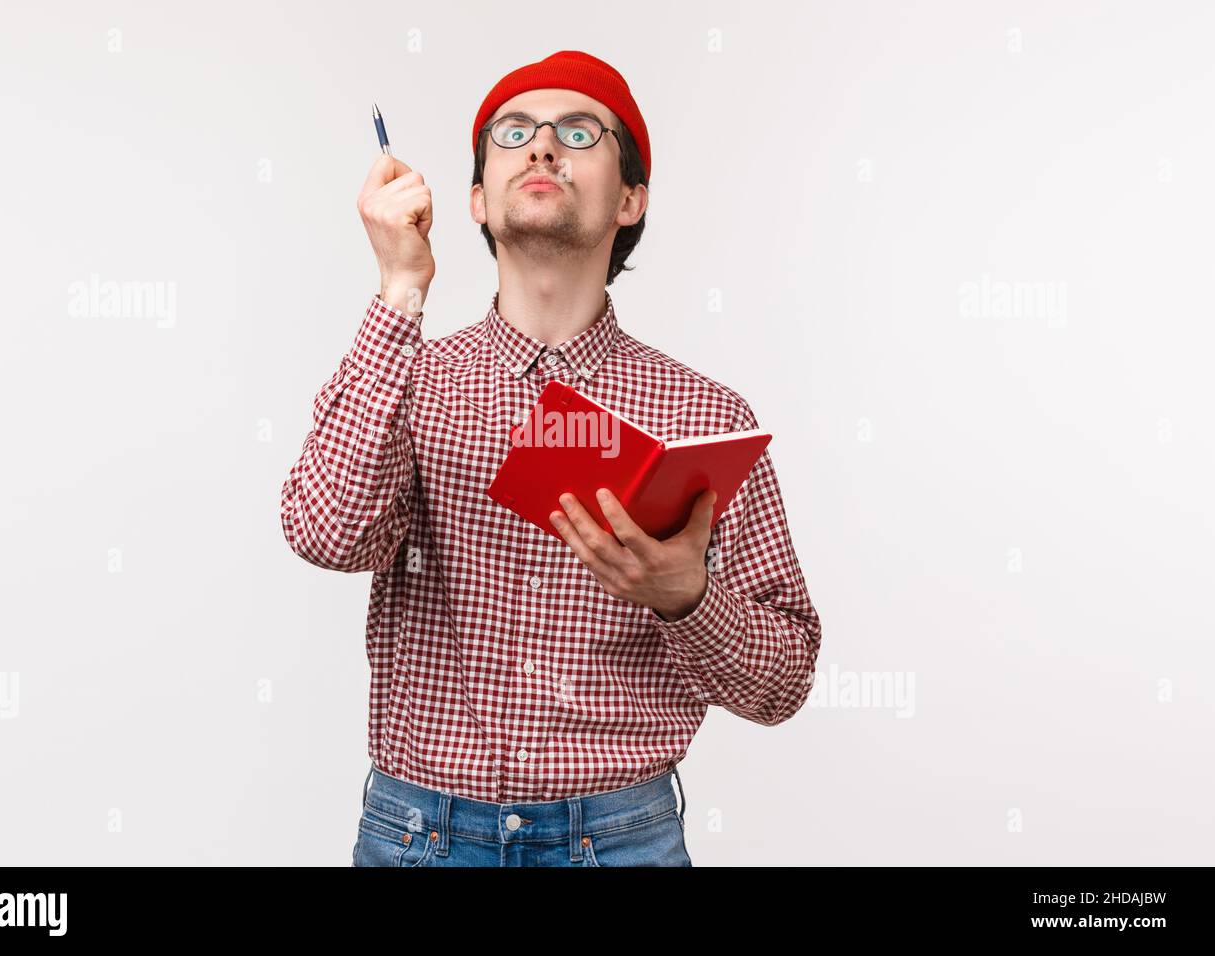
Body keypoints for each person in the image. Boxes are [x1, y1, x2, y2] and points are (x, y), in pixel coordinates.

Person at [280, 51, 822, 867]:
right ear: (475, 201)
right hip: (417, 838)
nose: (541, 148)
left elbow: (782, 685)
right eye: (514, 132)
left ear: (631, 198)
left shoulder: (703, 417)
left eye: (578, 131)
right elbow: (327, 534)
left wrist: (689, 598)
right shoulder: (405, 377)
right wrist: (399, 288)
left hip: (621, 841)